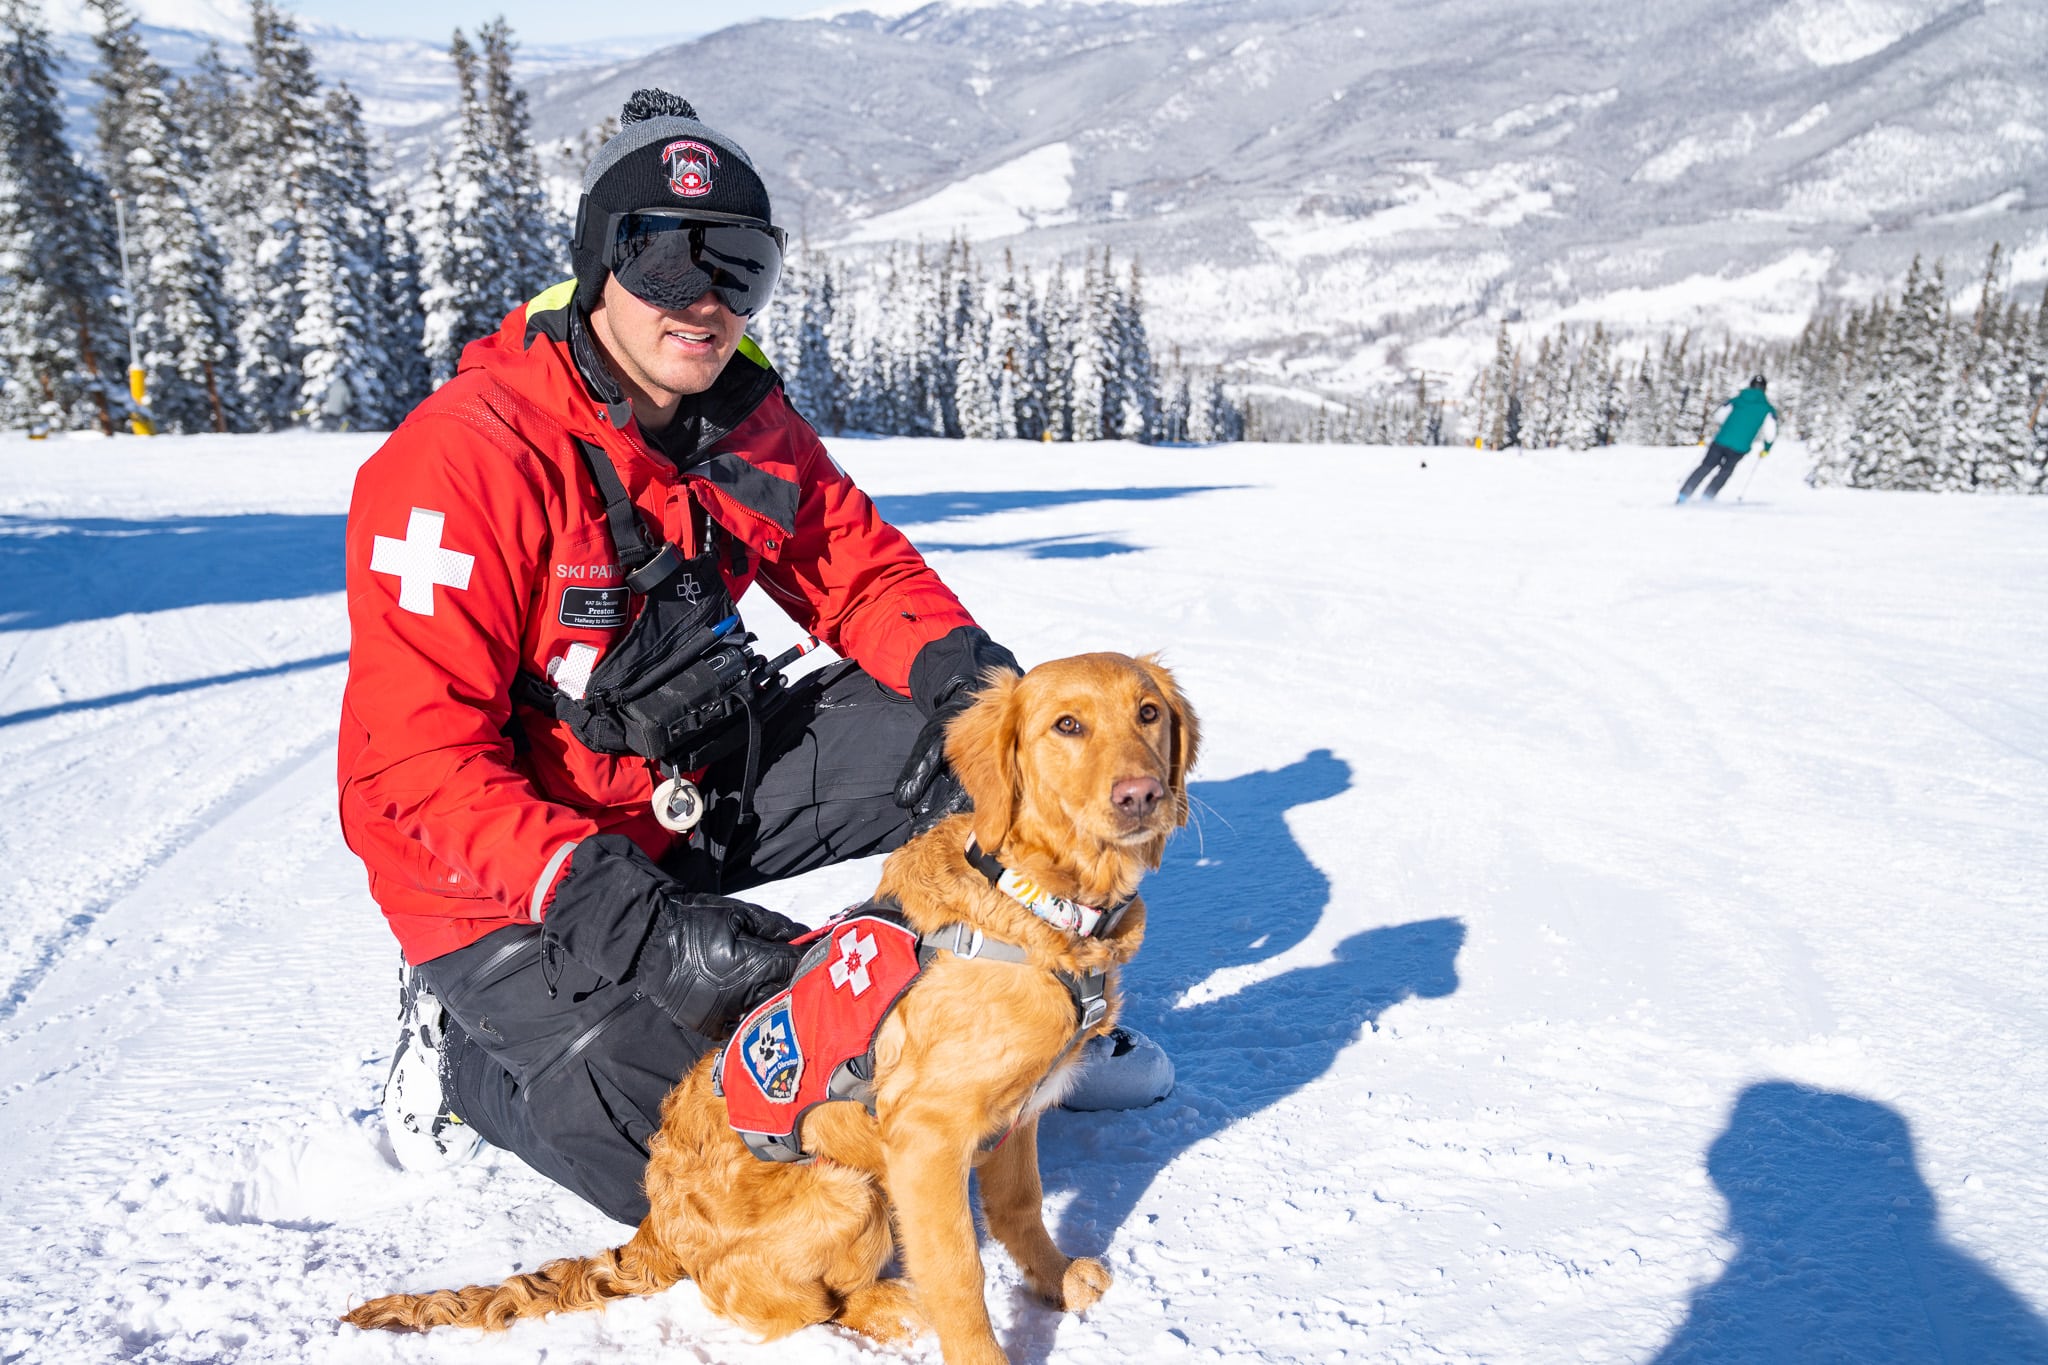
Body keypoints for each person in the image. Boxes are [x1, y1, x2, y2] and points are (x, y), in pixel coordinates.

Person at [338, 90, 1172, 1227]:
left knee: (978, 733)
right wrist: (635, 924)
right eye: (661, 259)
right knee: (755, 1205)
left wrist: (996, 709)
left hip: (681, 795)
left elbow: (863, 578)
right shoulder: (463, 461)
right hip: (518, 885)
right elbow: (408, 773)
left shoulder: (739, 421)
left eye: (738, 264)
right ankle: (467, 1056)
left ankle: (1033, 984)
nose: (703, 300)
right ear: (597, 265)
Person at [1677, 374, 1779, 503]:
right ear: (1764, 389)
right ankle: (1707, 497)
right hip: (1740, 447)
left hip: (1721, 441)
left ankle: (1684, 494)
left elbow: (1718, 416)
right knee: (1725, 471)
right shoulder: (1767, 409)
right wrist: (1766, 448)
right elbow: (1770, 433)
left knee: (1706, 466)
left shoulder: (1736, 400)